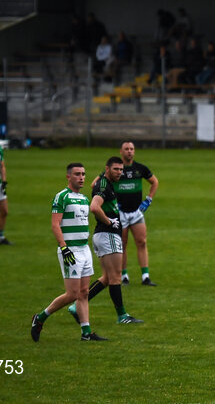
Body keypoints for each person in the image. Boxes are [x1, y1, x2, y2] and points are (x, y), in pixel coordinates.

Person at [30, 162, 106, 342]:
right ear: (68, 177)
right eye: (77, 174)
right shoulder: (61, 197)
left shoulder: (84, 199)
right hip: (70, 250)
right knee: (72, 294)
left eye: (83, 174)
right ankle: (40, 318)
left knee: (84, 292)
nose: (81, 177)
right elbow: (55, 224)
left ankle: (86, 333)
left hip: (84, 249)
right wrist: (64, 248)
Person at [67, 157, 143, 326]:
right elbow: (94, 207)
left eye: (121, 169)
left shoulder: (105, 184)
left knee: (108, 277)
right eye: (116, 169)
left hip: (103, 235)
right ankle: (122, 316)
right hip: (108, 234)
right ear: (107, 169)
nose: (120, 172)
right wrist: (109, 221)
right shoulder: (104, 185)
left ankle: (75, 307)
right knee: (115, 278)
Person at [102, 141, 159, 287]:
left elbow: (154, 182)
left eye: (132, 149)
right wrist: (111, 201)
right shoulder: (115, 169)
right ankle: (124, 275)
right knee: (123, 244)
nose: (129, 151)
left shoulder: (139, 168)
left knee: (142, 242)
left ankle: (145, 276)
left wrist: (148, 200)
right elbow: (98, 183)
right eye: (126, 149)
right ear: (121, 151)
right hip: (120, 213)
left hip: (137, 212)